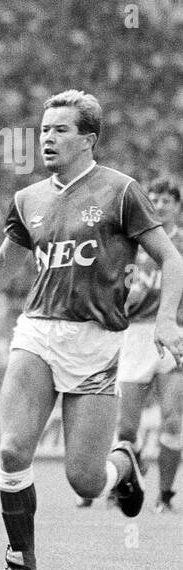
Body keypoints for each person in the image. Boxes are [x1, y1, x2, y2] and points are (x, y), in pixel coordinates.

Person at [0, 90, 183, 570]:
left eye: (60, 129)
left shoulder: (122, 191)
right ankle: (20, 559)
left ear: (88, 140)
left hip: (98, 342)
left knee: (85, 481)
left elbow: (171, 258)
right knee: (12, 450)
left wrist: (169, 320)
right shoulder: (29, 199)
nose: (47, 137)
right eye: (44, 129)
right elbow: (5, 263)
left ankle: (124, 465)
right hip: (38, 333)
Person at [90, 176, 183, 512]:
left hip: (173, 333)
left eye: (166, 200)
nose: (158, 205)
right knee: (127, 427)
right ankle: (132, 470)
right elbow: (119, 289)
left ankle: (166, 495)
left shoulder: (179, 244)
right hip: (136, 335)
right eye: (154, 199)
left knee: (173, 420)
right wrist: (127, 298)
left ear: (177, 205)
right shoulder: (135, 245)